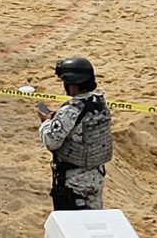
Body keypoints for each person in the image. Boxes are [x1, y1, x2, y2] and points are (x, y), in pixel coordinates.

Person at [36, 56, 113, 210]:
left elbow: (51, 141)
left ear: (72, 85)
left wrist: (45, 122)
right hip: (95, 177)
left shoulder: (71, 110)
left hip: (73, 183)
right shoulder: (100, 103)